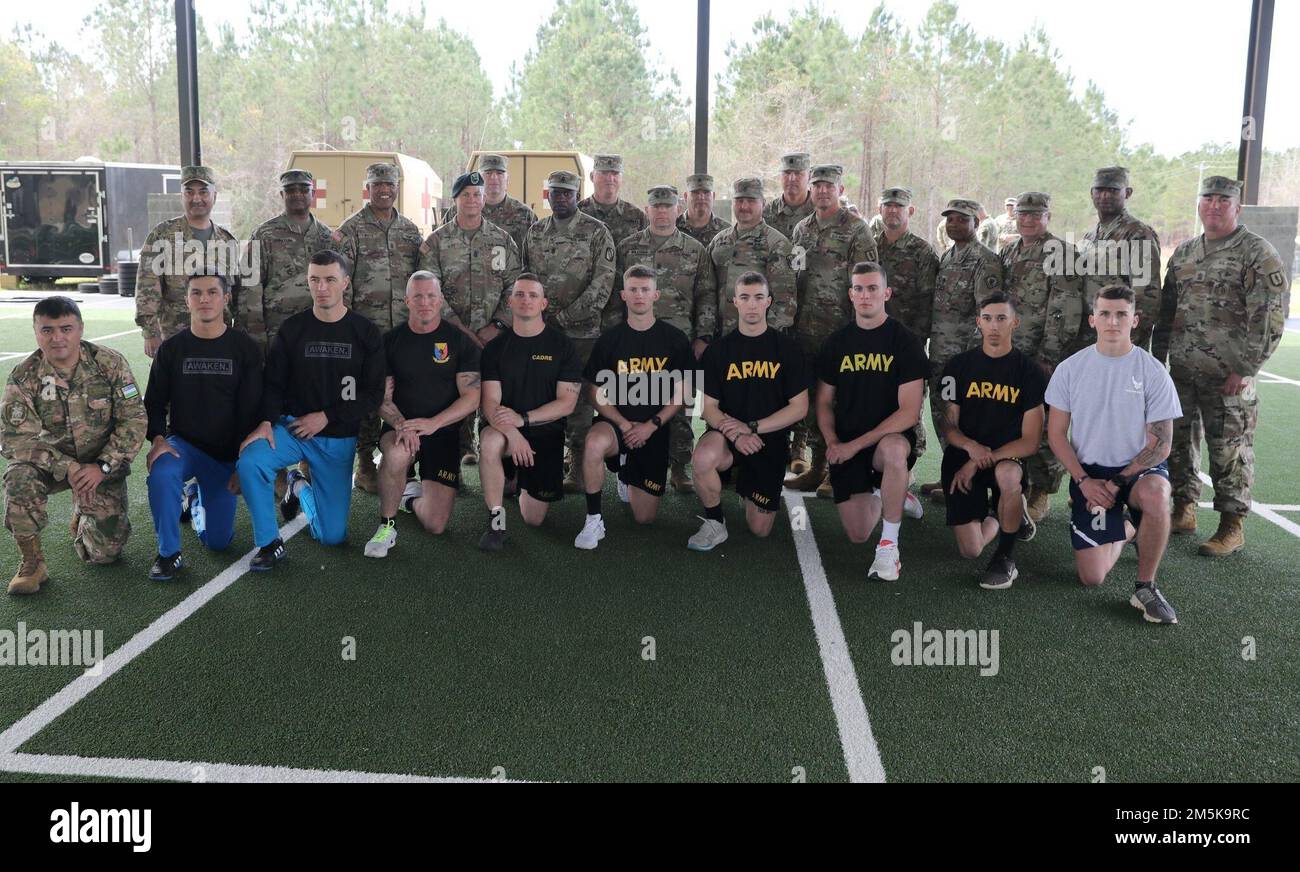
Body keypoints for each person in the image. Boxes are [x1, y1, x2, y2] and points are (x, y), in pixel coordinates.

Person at [1160, 176, 1288, 556]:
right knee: (1178, 442)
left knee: (1229, 449)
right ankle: (1183, 510)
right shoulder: (1184, 252)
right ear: (1199, 204)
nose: (1214, 205)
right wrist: (1158, 359)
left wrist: (1246, 367)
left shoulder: (1256, 252)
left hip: (1229, 376)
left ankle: (1231, 527)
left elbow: (1269, 318)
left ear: (1237, 207)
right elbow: (1168, 311)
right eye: (1208, 198)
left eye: (1222, 200)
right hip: (1182, 370)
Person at [236, 250, 385, 571]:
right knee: (251, 461)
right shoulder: (292, 329)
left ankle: (298, 486)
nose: (322, 287)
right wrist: (264, 422)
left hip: (337, 436)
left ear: (345, 282)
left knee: (332, 536)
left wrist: (327, 416)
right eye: (315, 280)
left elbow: (373, 395)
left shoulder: (365, 332)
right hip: (294, 429)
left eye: (330, 279)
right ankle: (268, 542)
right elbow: (273, 384)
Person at [1046, 285, 1181, 624]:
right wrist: (1084, 480)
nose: (1112, 321)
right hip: (1089, 473)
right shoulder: (1070, 369)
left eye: (1121, 314)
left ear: (1134, 320)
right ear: (1092, 319)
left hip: (1134, 472)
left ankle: (1146, 586)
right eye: (1105, 313)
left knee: (1156, 494)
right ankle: (1129, 528)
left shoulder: (1152, 371)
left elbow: (1161, 444)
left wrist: (1120, 481)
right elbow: (1056, 435)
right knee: (1091, 577)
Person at [2, 297, 147, 593]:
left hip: (100, 464)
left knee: (105, 555)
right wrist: (66, 467)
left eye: (66, 328)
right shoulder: (24, 375)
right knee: (18, 478)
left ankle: (83, 514)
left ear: (80, 328)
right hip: (50, 464)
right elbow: (14, 439)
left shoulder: (109, 363)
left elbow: (134, 419)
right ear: (35, 331)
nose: (57, 338)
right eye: (47, 330)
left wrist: (103, 466)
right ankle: (33, 563)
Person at [144, 274, 263, 581]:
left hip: (225, 456)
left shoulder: (245, 348)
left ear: (225, 299)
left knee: (219, 542)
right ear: (187, 301)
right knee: (162, 471)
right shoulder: (171, 349)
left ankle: (194, 499)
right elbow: (154, 402)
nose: (204, 299)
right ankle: (168, 554)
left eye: (212, 292)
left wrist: (242, 464)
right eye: (196, 293)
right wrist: (158, 439)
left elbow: (252, 410)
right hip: (183, 445)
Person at [814, 262, 927, 581]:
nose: (866, 296)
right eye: (859, 289)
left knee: (893, 452)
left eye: (873, 289)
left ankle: (889, 548)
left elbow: (909, 412)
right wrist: (834, 442)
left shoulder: (905, 342)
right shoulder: (836, 343)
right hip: (847, 441)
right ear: (850, 294)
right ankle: (895, 489)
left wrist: (854, 446)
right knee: (858, 533)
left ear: (886, 293)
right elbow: (823, 402)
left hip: (886, 441)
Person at [575, 265, 694, 549]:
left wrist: (651, 425)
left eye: (644, 290)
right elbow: (593, 392)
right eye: (633, 290)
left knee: (644, 518)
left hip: (654, 428)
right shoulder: (610, 340)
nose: (639, 295)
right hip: (617, 425)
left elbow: (683, 393)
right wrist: (626, 424)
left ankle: (625, 470)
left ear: (656, 295)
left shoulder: (675, 339)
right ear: (623, 295)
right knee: (593, 444)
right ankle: (594, 519)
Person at [365, 272, 481, 557]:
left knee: (435, 524)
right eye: (417, 296)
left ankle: (410, 494)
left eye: (431, 296)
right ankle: (386, 526)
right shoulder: (390, 342)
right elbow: (379, 397)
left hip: (442, 432)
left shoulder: (458, 341)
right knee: (396, 453)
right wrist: (401, 424)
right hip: (401, 427)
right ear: (407, 301)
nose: (424, 302)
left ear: (440, 300)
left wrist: (434, 424)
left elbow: (472, 396)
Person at [690, 272, 808, 550]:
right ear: (735, 302)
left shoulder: (787, 349)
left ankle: (749, 486)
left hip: (769, 439)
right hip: (728, 436)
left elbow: (799, 407)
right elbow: (708, 409)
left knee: (759, 530)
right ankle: (715, 521)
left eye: (758, 298)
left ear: (768, 301)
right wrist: (738, 433)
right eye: (745, 297)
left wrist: (752, 428)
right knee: (704, 456)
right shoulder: (718, 351)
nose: (751, 304)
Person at [937, 291, 1045, 589]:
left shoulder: (1030, 373)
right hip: (964, 455)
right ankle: (1005, 514)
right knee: (970, 550)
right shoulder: (957, 367)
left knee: (1008, 474)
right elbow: (948, 426)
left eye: (1001, 319)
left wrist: (980, 460)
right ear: (978, 323)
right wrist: (971, 450)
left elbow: (1031, 441)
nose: (994, 326)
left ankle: (1005, 558)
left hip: (1007, 456)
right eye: (987, 319)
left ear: (1015, 323)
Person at [612, 184, 714, 493]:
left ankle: (679, 466)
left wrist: (704, 335)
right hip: (636, 339)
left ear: (676, 210)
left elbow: (706, 294)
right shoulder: (628, 247)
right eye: (656, 206)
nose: (661, 212)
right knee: (636, 400)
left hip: (679, 339)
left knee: (681, 403)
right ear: (647, 210)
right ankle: (630, 461)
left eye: (667, 206)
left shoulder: (695, 249)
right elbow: (616, 296)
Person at [522, 169, 616, 494]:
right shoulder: (535, 232)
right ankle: (546, 457)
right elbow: (526, 281)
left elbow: (602, 285)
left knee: (577, 402)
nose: (560, 198)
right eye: (555, 192)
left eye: (567, 193)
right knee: (543, 395)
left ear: (577, 195)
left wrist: (562, 318)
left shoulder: (596, 232)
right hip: (540, 333)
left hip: (582, 334)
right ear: (546, 193)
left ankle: (577, 461)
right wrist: (536, 319)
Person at [419, 170, 521, 466]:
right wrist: (459, 328)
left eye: (477, 195)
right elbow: (430, 288)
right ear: (456, 199)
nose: (473, 200)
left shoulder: (501, 240)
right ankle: (460, 447)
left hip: (495, 333)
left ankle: (495, 447)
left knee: (494, 386)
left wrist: (499, 324)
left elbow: (514, 284)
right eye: (466, 195)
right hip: (449, 332)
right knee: (453, 388)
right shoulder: (437, 242)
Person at [333, 162, 423, 493]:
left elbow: (420, 279)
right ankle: (365, 463)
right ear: (367, 189)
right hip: (365, 331)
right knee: (369, 398)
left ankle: (406, 462)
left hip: (403, 331)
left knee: (404, 393)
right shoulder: (351, 229)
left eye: (390, 184)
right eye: (377, 185)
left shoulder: (411, 231)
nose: (384, 190)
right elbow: (343, 283)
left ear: (397, 188)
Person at [477, 275, 584, 551]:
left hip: (544, 432)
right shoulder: (495, 348)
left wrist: (524, 420)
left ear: (544, 303)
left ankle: (514, 478)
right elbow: (490, 402)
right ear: (510, 301)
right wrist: (513, 433)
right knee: (489, 441)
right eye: (520, 295)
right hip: (503, 429)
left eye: (533, 296)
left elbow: (566, 404)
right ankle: (496, 521)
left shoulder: (562, 346)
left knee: (533, 519)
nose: (526, 300)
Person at [788, 165, 877, 494]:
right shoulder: (801, 229)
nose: (822, 191)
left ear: (840, 188)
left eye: (829, 186)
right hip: (806, 332)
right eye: (817, 185)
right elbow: (796, 278)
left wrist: (862, 331)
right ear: (810, 189)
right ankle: (818, 465)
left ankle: (837, 471)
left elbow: (866, 283)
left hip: (842, 332)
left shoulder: (857, 230)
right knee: (813, 401)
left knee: (842, 402)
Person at [918, 198, 1002, 499]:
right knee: (944, 416)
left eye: (962, 219)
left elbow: (987, 314)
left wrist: (975, 360)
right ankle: (951, 474)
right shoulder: (949, 257)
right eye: (950, 219)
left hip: (965, 358)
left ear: (976, 224)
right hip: (941, 355)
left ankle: (971, 481)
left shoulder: (984, 260)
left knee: (966, 418)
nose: (954, 224)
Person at [135, 166, 239, 356]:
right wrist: (150, 332)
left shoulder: (227, 240)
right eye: (189, 192)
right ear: (181, 196)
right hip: (175, 335)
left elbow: (234, 291)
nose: (196, 199)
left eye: (203, 192)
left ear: (214, 196)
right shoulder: (162, 235)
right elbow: (147, 286)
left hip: (219, 335)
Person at [240, 169, 339, 352]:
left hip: (319, 332)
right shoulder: (263, 234)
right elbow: (249, 287)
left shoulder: (326, 237)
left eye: (303, 189)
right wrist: (256, 337)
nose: (297, 194)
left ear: (313, 194)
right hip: (277, 332)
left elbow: (338, 286)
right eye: (290, 190)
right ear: (281, 194)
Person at [704, 177, 796, 336]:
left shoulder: (777, 244)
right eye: (739, 200)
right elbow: (706, 291)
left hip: (758, 338)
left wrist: (768, 339)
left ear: (763, 203)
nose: (744, 206)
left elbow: (785, 301)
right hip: (720, 338)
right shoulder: (719, 242)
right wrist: (705, 333)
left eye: (751, 200)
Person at [442, 153, 537, 256]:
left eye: (500, 173)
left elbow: (535, 257)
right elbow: (438, 246)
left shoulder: (526, 215)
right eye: (488, 173)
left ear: (507, 180)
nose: (494, 177)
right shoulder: (457, 212)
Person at [578, 153, 649, 246]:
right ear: (592, 177)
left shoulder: (637, 216)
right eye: (604, 173)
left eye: (615, 173)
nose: (610, 178)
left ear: (621, 178)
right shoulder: (577, 213)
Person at [762, 151, 815, 241]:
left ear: (809, 177)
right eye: (787, 173)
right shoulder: (767, 213)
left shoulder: (819, 211)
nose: (791, 178)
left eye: (798, 173)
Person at [676, 173, 729, 249]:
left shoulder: (726, 232)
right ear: (685, 196)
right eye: (695, 192)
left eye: (706, 192)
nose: (701, 197)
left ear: (713, 196)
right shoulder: (673, 228)